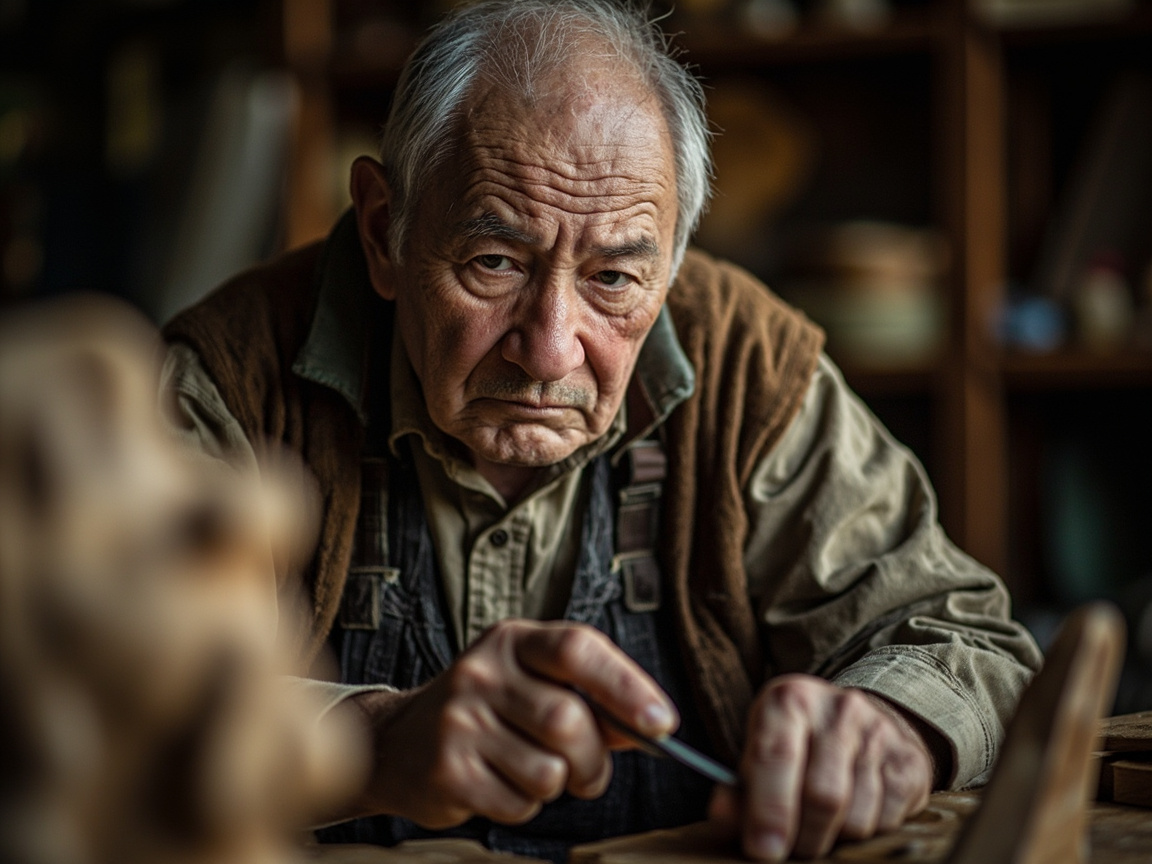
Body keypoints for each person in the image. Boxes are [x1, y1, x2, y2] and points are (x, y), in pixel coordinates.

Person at [160, 1, 1042, 861]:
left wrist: (889, 726)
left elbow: (961, 637)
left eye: (615, 277)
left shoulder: (746, 368)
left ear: (671, 263)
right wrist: (368, 742)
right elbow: (99, 706)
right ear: (388, 230)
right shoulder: (235, 379)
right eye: (494, 262)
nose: (549, 352)